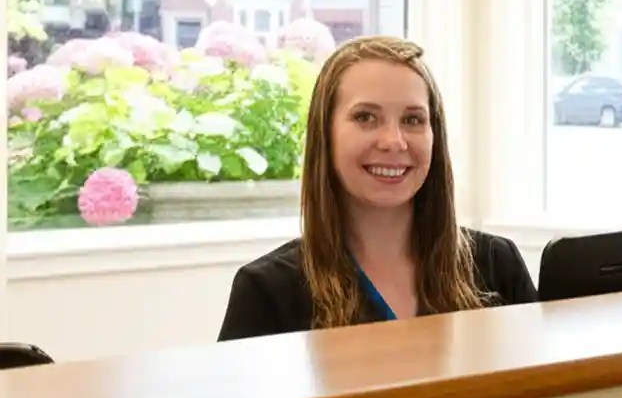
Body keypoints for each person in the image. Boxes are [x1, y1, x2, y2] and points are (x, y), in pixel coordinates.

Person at [218, 36, 536, 341]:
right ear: (325, 134)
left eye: (412, 120)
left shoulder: (496, 264)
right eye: (366, 117)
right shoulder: (267, 291)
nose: (393, 142)